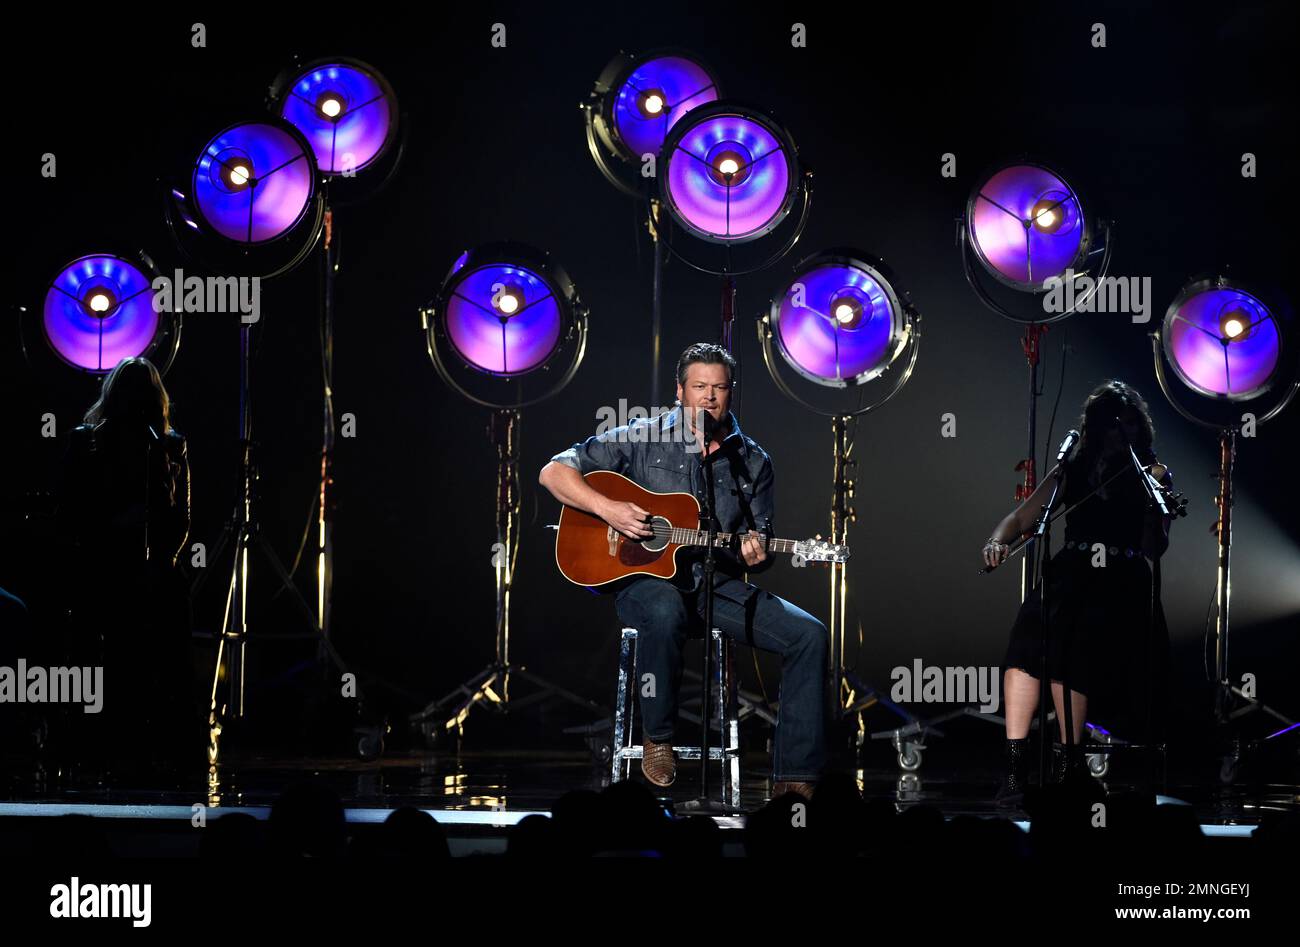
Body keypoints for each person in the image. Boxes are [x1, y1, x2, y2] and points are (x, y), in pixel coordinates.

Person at [539, 343, 828, 800]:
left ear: (731, 393)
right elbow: (553, 472)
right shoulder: (641, 435)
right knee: (665, 605)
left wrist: (759, 553)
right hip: (642, 582)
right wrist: (608, 509)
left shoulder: (752, 461)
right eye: (699, 387)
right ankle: (658, 737)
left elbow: (759, 539)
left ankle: (796, 779)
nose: (709, 397)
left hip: (713, 583)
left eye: (719, 388)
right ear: (680, 391)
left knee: (809, 634)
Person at [983, 380, 1174, 801]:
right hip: (1070, 572)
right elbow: (1021, 518)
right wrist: (997, 541)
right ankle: (1015, 772)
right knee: (1025, 649)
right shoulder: (1073, 467)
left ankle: (1070, 769)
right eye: (1109, 425)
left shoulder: (1154, 474)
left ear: (1138, 429)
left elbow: (1154, 548)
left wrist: (1152, 512)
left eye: (1126, 425)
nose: (1117, 433)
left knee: (1075, 653)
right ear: (1095, 427)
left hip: (1121, 579)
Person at [59, 357, 198, 770]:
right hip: (102, 568)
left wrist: (161, 559)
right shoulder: (87, 441)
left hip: (151, 569)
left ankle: (159, 741)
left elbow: (181, 519)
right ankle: (97, 739)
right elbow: (70, 511)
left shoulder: (170, 444)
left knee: (161, 641)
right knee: (104, 644)